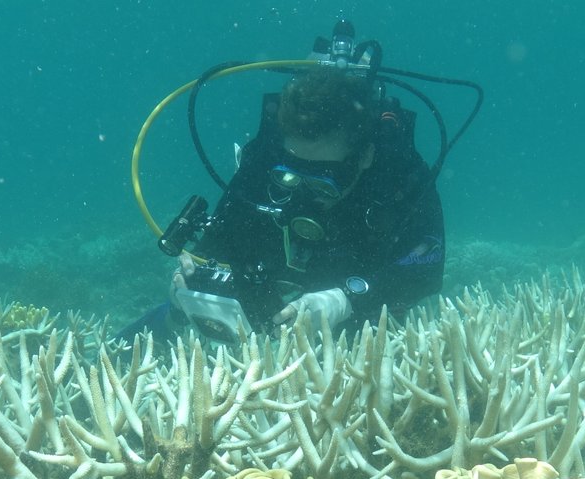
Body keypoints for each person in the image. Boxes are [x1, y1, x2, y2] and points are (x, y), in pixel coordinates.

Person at [122, 65, 446, 343]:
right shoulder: (265, 158)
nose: (305, 193)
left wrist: (347, 298)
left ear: (365, 156)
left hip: (364, 314)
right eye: (293, 172)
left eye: (324, 176)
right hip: (263, 309)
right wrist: (193, 283)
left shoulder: (401, 178)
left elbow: (425, 268)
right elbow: (219, 237)